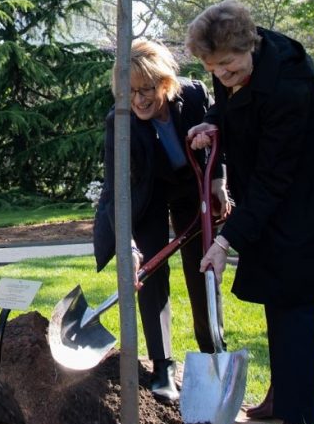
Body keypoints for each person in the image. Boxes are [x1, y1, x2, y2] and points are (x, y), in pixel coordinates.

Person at [185, 0, 314, 424]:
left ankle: (300, 420)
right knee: (275, 291)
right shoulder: (229, 61)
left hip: (311, 198)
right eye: (214, 70)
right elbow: (228, 109)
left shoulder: (288, 87)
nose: (222, 77)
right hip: (274, 196)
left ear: (250, 45)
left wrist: (227, 240)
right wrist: (210, 122)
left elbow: (273, 178)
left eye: (228, 67)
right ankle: (282, 395)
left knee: (296, 297)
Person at [92, 39, 228, 404]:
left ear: (165, 84)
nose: (139, 100)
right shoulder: (117, 121)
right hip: (147, 195)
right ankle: (162, 365)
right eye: (130, 92)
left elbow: (221, 141)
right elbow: (115, 185)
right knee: (150, 275)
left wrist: (218, 183)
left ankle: (213, 351)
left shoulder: (196, 96)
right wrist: (127, 244)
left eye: (146, 89)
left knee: (203, 269)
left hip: (191, 188)